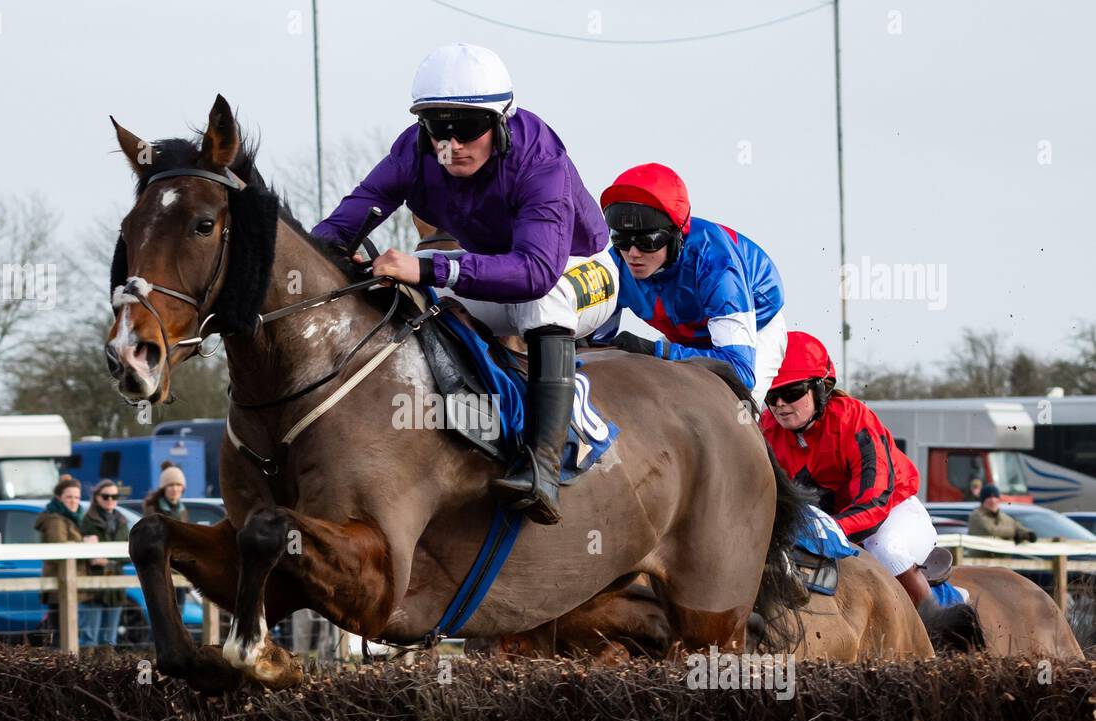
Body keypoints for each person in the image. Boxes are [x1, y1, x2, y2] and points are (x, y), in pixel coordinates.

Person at [311, 43, 618, 525]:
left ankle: (542, 465)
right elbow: (352, 212)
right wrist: (322, 258)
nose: (450, 146)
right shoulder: (414, 151)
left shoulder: (540, 159)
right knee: (397, 288)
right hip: (500, 272)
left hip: (581, 270)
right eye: (437, 128)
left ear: (501, 123)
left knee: (538, 298)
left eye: (468, 129)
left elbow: (535, 270)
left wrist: (428, 269)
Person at [761, 332, 970, 621]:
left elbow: (875, 502)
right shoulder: (767, 430)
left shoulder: (855, 420)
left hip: (890, 514)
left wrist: (829, 527)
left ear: (821, 389)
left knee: (883, 548)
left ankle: (939, 622)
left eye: (793, 392)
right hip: (826, 522)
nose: (781, 404)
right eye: (772, 396)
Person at [595, 163, 787, 404]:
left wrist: (655, 351)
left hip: (754, 333)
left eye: (648, 241)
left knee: (733, 407)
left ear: (676, 235)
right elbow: (596, 345)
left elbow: (740, 372)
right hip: (689, 338)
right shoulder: (615, 265)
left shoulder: (716, 266)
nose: (632, 253)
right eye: (621, 239)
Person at [35, 477, 91, 650]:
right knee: (61, 635)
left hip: (72, 582)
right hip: (60, 583)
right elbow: (59, 550)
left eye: (76, 497)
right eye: (69, 497)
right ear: (59, 498)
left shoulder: (75, 517)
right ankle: (61, 671)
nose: (74, 501)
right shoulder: (56, 520)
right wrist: (86, 546)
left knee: (69, 633)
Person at [81, 479, 130, 653]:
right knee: (89, 636)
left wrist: (109, 558)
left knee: (110, 637)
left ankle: (106, 676)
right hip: (94, 583)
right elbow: (92, 557)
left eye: (114, 496)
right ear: (97, 497)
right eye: (106, 496)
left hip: (116, 584)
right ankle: (84, 673)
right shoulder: (88, 520)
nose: (110, 499)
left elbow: (129, 553)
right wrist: (111, 557)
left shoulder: (122, 521)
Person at [968, 485, 1036, 543]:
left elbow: (1016, 525)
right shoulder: (976, 515)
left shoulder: (1003, 516)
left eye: (995, 497)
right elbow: (991, 531)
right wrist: (1015, 533)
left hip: (1002, 558)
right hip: (978, 558)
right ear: (983, 500)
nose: (993, 500)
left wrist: (1028, 534)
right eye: (989, 497)